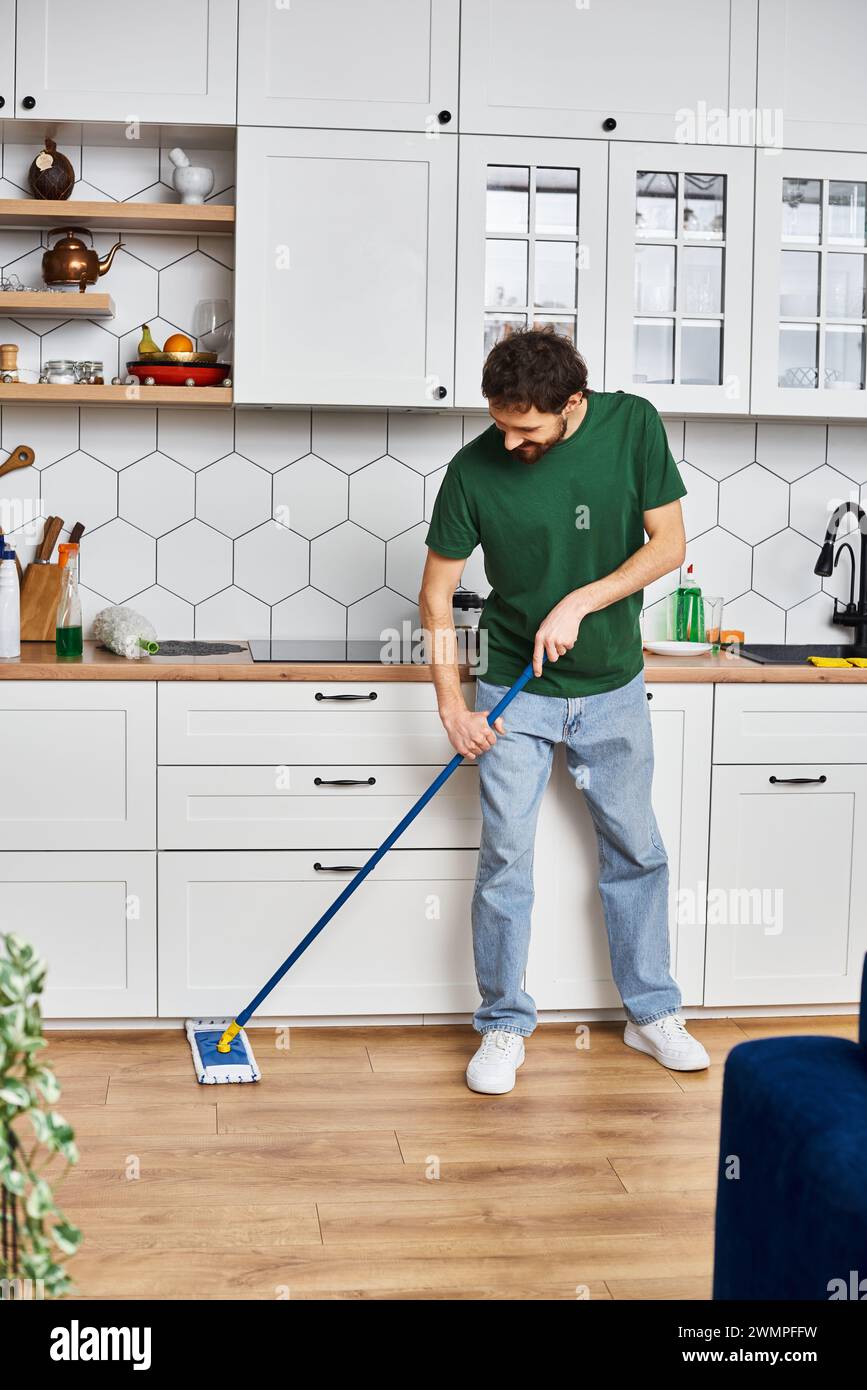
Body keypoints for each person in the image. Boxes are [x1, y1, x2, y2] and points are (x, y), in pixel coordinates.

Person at [419, 329, 709, 1095]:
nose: (506, 439)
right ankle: (503, 1025)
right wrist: (452, 705)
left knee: (635, 849)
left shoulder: (631, 425)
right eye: (499, 422)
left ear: (571, 404)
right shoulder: (472, 469)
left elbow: (668, 544)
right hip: (515, 686)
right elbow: (435, 595)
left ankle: (650, 1014)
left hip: (612, 682)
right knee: (505, 858)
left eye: (525, 428)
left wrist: (580, 600)